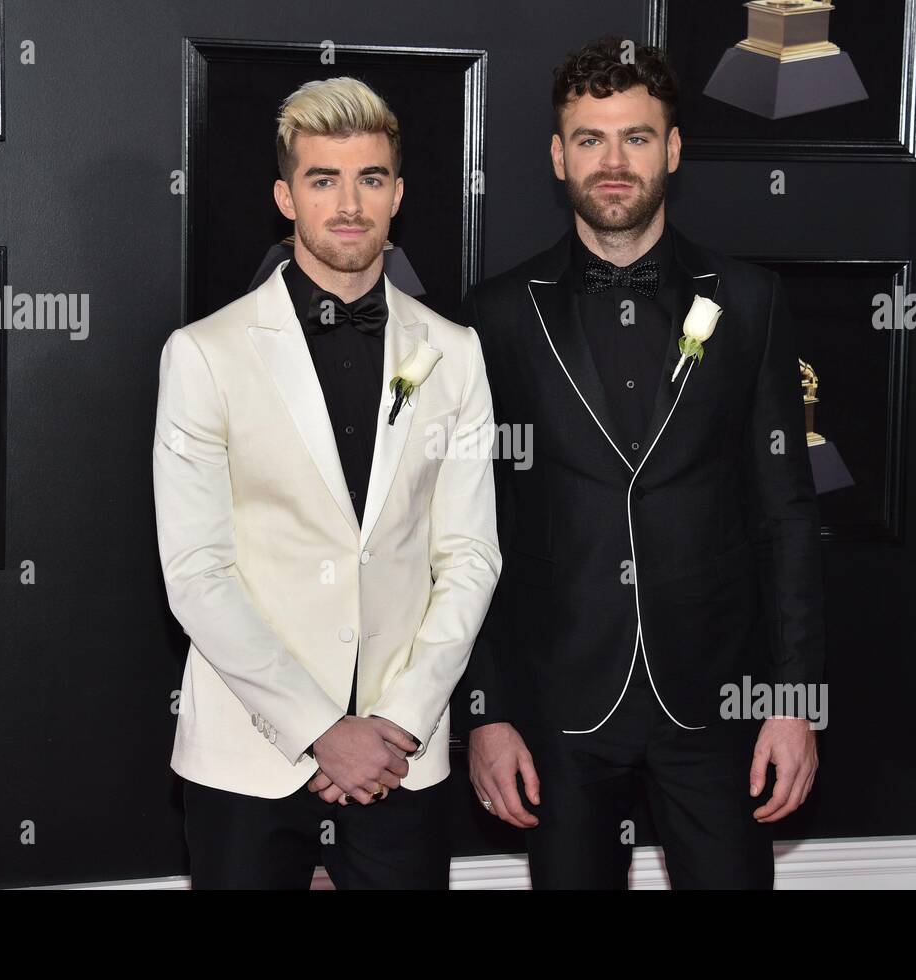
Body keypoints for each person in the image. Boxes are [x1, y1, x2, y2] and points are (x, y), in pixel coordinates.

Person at [460, 37, 825, 889]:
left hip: (718, 707)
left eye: (635, 136)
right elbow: (471, 529)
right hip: (558, 713)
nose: (613, 161)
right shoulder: (498, 314)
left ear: (672, 149)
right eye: (590, 138)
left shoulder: (749, 301)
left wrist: (795, 700)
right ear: (558, 156)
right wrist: (489, 712)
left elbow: (788, 515)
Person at [153, 76, 500, 889]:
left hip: (399, 759)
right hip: (246, 757)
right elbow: (197, 573)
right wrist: (319, 729)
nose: (349, 204)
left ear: (399, 193)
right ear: (286, 196)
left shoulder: (456, 353)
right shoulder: (205, 353)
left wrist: (397, 725)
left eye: (370, 178)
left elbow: (470, 557)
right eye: (323, 179)